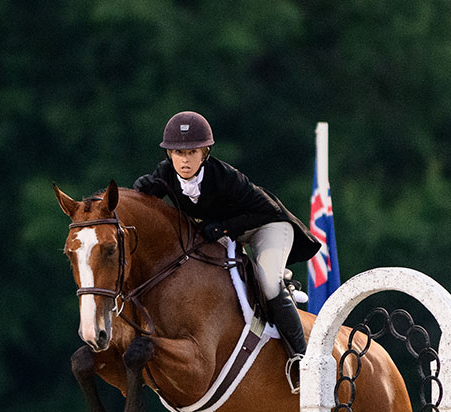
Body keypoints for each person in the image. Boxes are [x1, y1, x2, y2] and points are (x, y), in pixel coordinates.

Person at [133, 111, 320, 393]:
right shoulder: (165, 175)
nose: (184, 160)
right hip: (227, 233)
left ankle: (301, 359)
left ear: (205, 152)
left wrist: (221, 228)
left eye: (192, 152)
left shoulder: (226, 178)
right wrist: (139, 194)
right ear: (169, 154)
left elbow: (265, 211)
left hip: (265, 226)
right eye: (178, 153)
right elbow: (150, 207)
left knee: (268, 281)